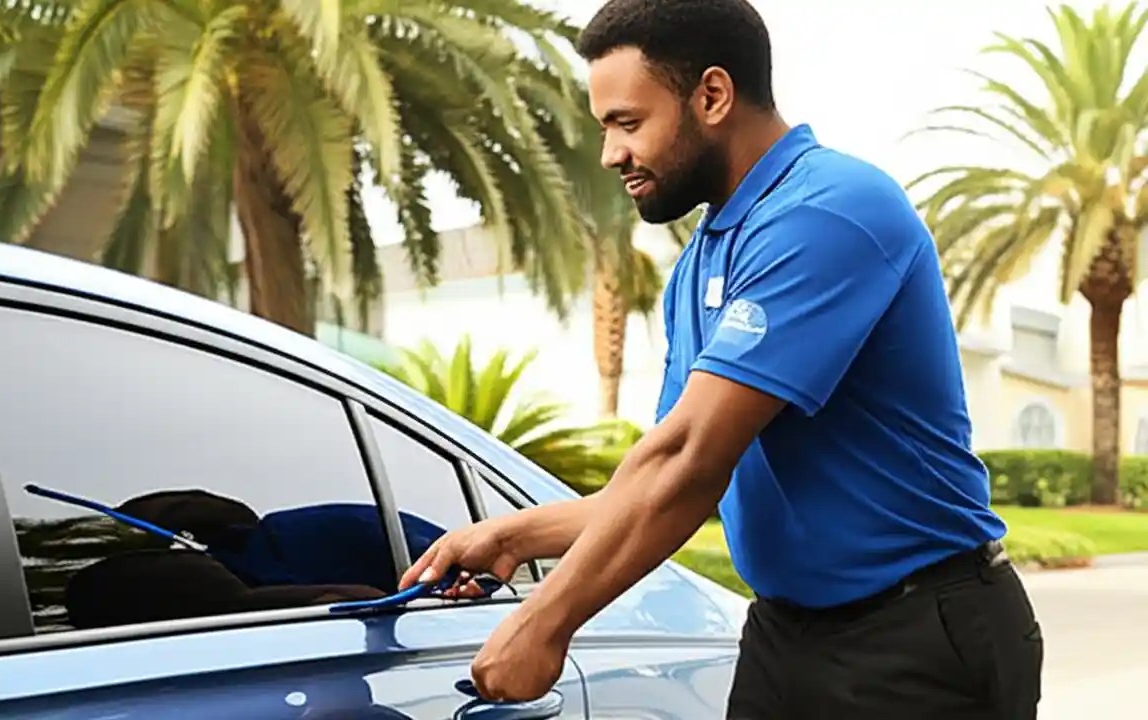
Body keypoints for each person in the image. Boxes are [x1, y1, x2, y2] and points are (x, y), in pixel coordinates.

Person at [397, 1, 1044, 718]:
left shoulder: (830, 210)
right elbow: (660, 475)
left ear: (712, 95)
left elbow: (689, 460)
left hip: (917, 634)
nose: (611, 154)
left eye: (627, 123)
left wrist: (543, 623)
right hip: (786, 632)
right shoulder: (703, 259)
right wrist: (512, 535)